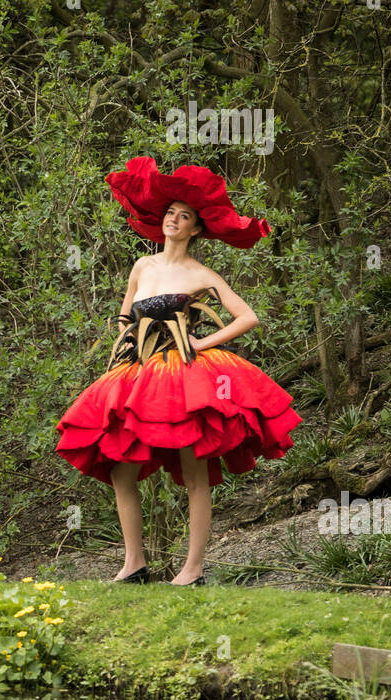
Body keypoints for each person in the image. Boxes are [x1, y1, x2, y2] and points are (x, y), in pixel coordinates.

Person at [56, 157, 302, 585]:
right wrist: (123, 343)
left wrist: (201, 343)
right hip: (137, 371)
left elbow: (248, 317)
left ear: (195, 228)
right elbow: (124, 313)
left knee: (194, 470)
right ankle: (134, 564)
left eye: (183, 216)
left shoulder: (201, 274)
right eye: (170, 212)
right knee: (119, 468)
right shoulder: (142, 265)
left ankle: (193, 570)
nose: (173, 219)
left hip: (184, 374)